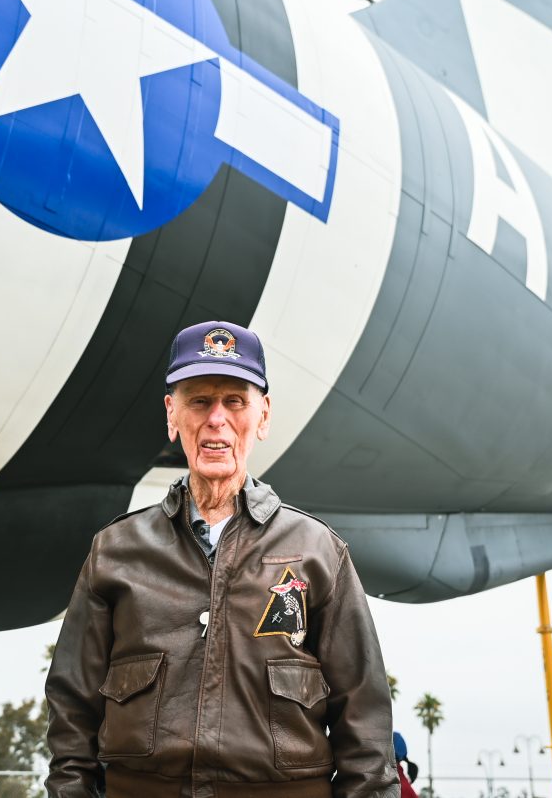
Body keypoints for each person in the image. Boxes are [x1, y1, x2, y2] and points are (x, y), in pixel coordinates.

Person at [45, 320, 397, 797]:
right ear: (172, 414)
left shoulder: (318, 552)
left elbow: (365, 721)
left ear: (264, 415)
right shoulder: (115, 551)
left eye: (235, 401)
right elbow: (72, 711)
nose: (217, 420)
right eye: (199, 401)